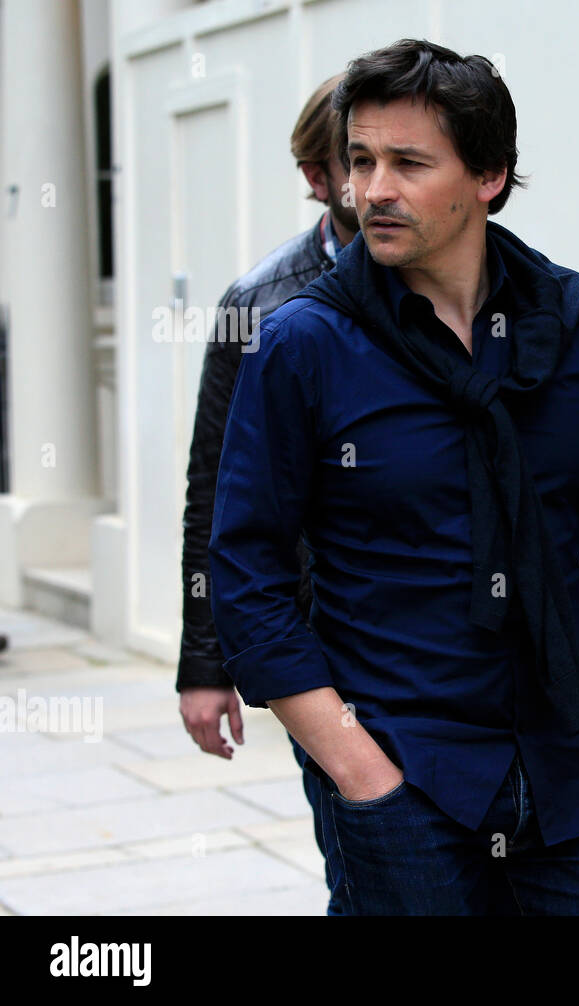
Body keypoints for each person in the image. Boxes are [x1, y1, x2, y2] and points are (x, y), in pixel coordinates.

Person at [208, 39, 579, 916]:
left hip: (567, 766)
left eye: (408, 163)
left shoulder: (576, 325)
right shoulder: (305, 343)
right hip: (404, 774)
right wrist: (356, 767)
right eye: (360, 160)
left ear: (489, 175)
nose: (372, 189)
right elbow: (247, 575)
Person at [176, 73, 358, 907]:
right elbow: (213, 490)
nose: (377, 187)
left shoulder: (468, 283)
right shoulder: (259, 304)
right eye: (352, 163)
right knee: (364, 860)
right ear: (317, 179)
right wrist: (205, 663)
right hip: (322, 641)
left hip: (461, 636)